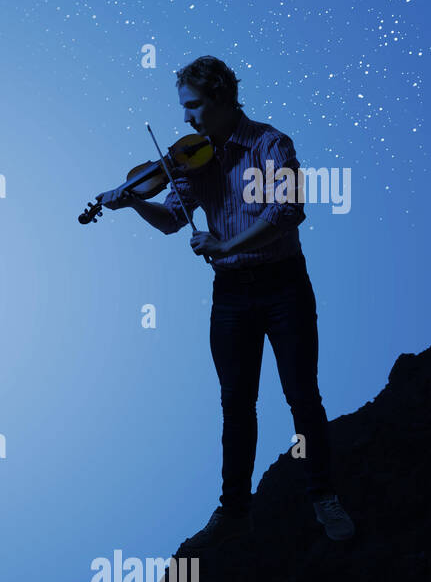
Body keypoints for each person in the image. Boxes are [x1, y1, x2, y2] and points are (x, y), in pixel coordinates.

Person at [99, 56, 354, 547]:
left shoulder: (269, 144)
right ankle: (234, 508)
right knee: (236, 404)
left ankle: (324, 496)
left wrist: (226, 246)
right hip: (232, 295)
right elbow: (173, 220)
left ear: (219, 98)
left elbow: (288, 210)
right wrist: (133, 201)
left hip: (284, 286)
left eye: (193, 106)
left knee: (303, 397)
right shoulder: (194, 158)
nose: (187, 119)